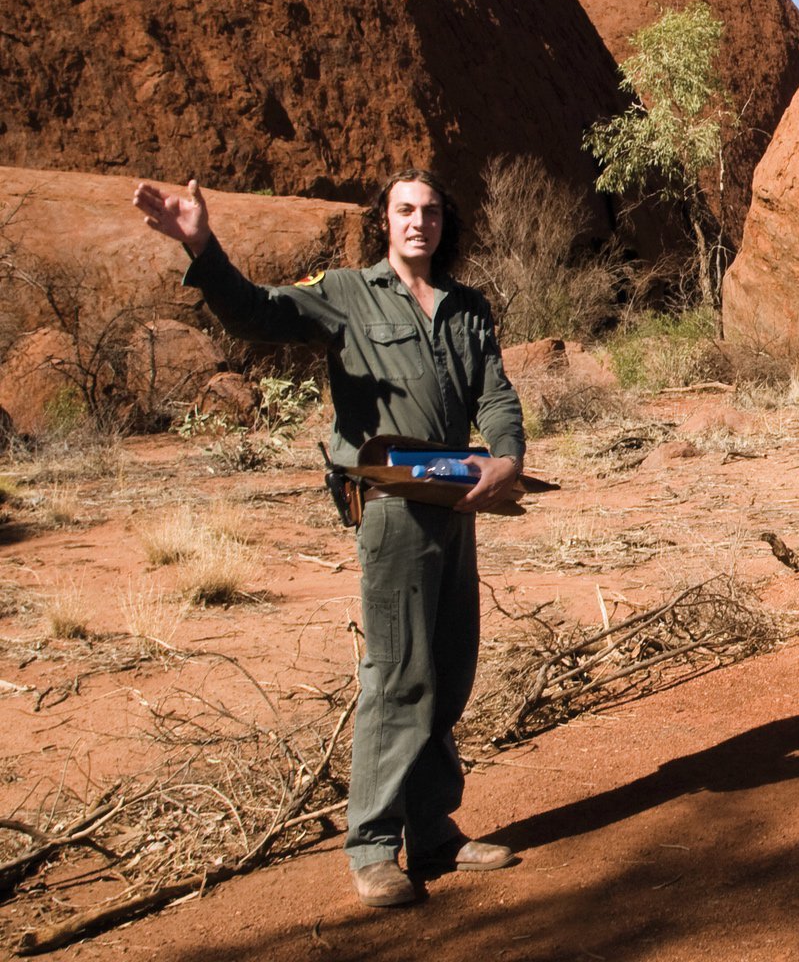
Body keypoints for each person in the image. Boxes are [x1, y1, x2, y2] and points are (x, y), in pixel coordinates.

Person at [133, 169, 525, 908]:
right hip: (388, 504)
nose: (419, 222)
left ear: (446, 222)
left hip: (456, 501)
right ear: (386, 221)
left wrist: (507, 456)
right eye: (405, 210)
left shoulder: (467, 308)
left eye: (432, 211)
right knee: (399, 673)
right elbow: (255, 313)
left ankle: (434, 828)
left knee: (449, 665)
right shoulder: (345, 292)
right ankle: (374, 848)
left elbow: (495, 393)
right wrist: (201, 245)